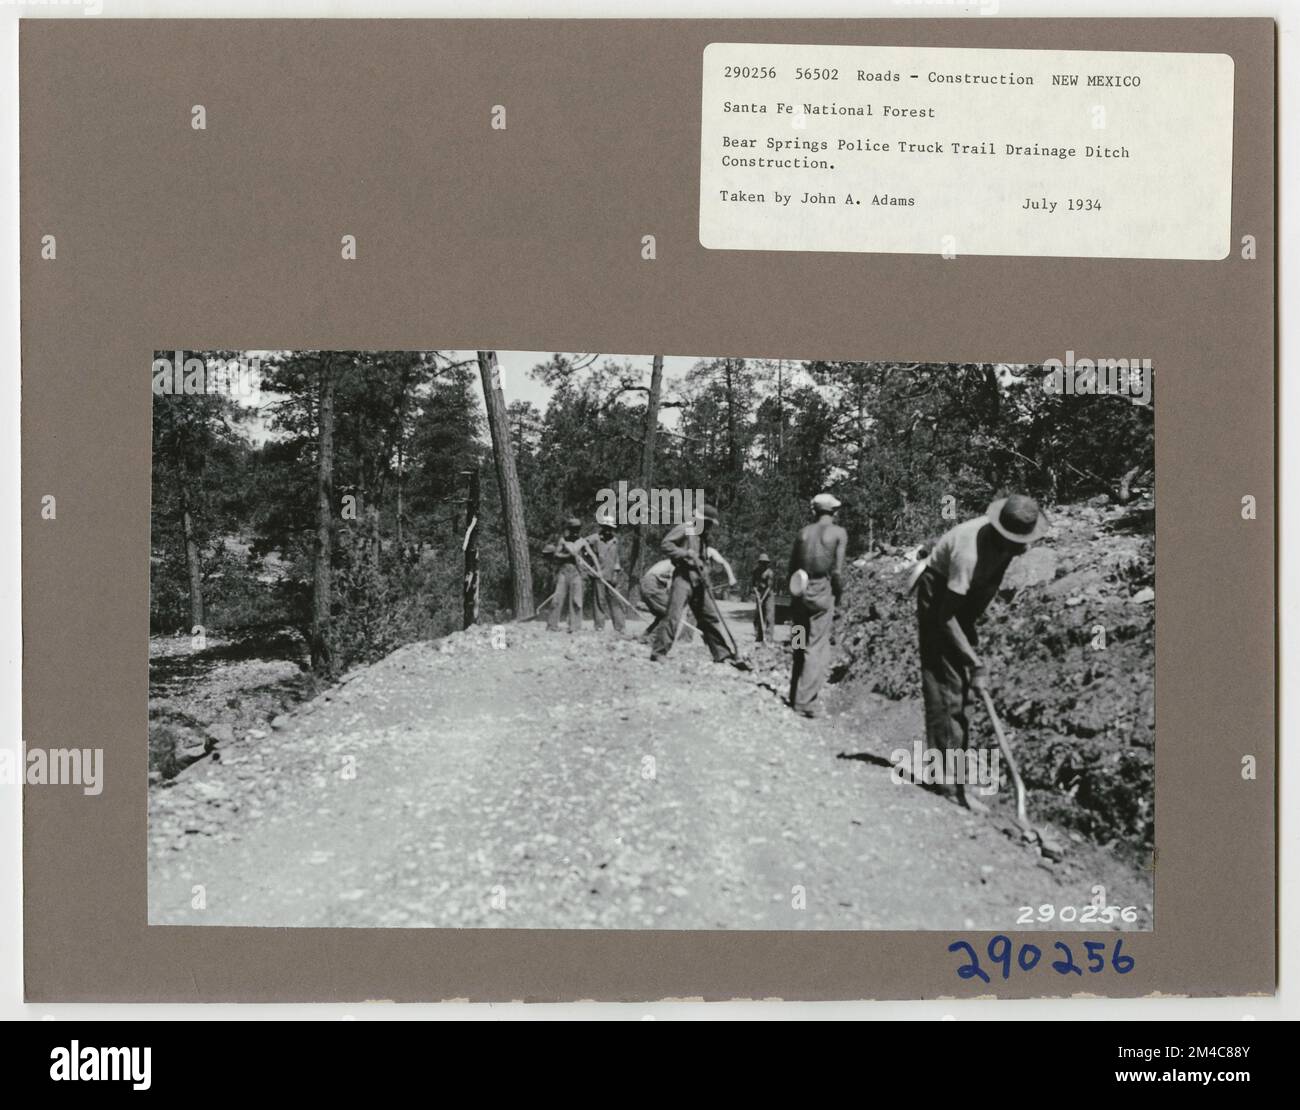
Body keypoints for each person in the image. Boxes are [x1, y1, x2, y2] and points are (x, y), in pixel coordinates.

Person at [915, 494, 1050, 812]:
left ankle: (952, 775)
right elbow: (945, 617)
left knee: (961, 689)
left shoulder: (1006, 545)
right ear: (1001, 533)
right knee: (948, 690)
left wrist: (969, 641)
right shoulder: (968, 552)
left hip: (961, 601)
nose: (1025, 547)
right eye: (1019, 541)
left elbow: (984, 590)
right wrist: (974, 662)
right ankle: (949, 784)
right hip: (939, 598)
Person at [650, 504, 743, 665]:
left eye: (710, 524)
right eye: (706, 522)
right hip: (683, 578)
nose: (708, 526)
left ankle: (722, 654)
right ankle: (659, 652)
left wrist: (706, 576)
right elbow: (666, 544)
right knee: (674, 615)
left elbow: (704, 560)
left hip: (700, 581)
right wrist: (685, 553)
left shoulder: (704, 537)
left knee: (710, 617)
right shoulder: (686, 528)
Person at [788, 493, 847, 718]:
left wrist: (793, 593)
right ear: (834, 512)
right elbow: (838, 571)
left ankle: (794, 693)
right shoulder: (838, 533)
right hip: (821, 590)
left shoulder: (803, 533)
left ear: (814, 511)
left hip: (800, 587)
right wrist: (838, 597)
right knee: (816, 645)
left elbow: (791, 566)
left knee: (799, 641)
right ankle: (804, 702)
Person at [640, 546, 735, 639]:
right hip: (652, 584)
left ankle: (646, 637)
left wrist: (731, 578)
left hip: (650, 584)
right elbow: (674, 580)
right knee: (671, 613)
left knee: (663, 614)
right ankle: (652, 639)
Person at [583, 513, 626, 633]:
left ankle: (620, 627)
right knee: (599, 601)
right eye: (606, 528)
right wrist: (588, 558)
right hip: (599, 575)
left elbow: (617, 558)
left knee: (616, 601)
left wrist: (616, 574)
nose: (608, 531)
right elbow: (582, 544)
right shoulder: (595, 538)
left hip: (612, 575)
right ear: (602, 527)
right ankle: (599, 626)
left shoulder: (615, 541)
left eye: (610, 528)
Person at [546, 516, 587, 633]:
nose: (575, 531)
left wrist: (585, 563)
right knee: (557, 598)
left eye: (577, 529)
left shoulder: (582, 541)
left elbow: (589, 555)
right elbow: (556, 554)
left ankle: (575, 626)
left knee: (576, 600)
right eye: (573, 529)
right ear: (569, 529)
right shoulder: (563, 540)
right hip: (564, 571)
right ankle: (552, 625)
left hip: (577, 572)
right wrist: (567, 556)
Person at [751, 553, 776, 642]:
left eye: (765, 563)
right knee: (758, 616)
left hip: (768, 595)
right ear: (759, 563)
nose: (763, 565)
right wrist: (757, 594)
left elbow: (769, 587)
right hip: (760, 594)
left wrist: (763, 598)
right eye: (762, 563)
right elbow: (753, 585)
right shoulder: (755, 571)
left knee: (769, 617)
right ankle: (759, 637)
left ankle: (769, 638)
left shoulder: (770, 572)